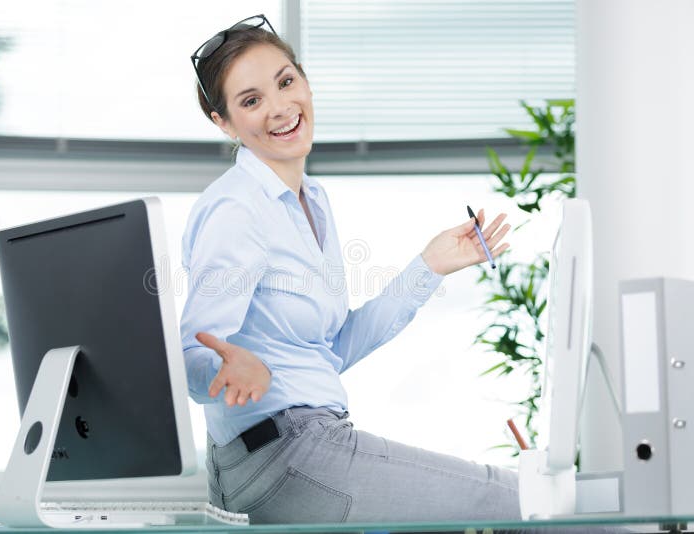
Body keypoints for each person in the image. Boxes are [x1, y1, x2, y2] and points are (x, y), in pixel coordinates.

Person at [180, 14, 517, 524]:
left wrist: (429, 267)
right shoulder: (237, 210)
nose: (280, 108)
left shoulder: (309, 200)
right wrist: (225, 367)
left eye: (286, 82)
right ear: (223, 122)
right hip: (282, 455)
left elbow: (329, 352)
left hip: (296, 446)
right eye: (251, 101)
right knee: (510, 498)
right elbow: (190, 356)